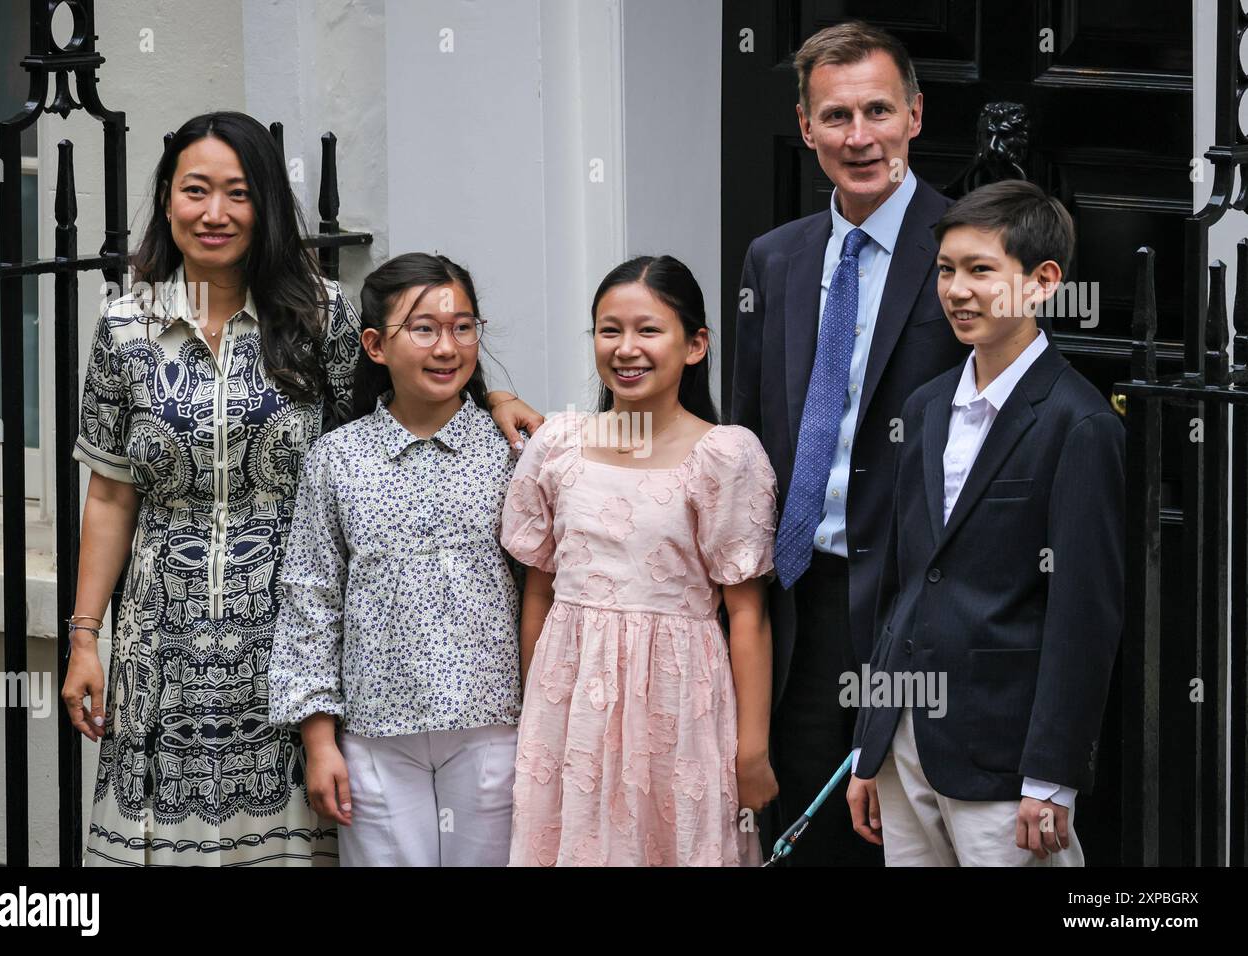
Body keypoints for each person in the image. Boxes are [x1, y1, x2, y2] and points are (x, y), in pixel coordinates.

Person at [61, 111, 540, 866]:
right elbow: (112, 494)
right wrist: (86, 637)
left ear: (267, 208)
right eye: (196, 190)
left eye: (238, 193)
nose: (215, 213)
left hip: (294, 642)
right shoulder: (124, 328)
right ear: (168, 197)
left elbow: (402, 409)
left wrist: (494, 401)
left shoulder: (323, 316)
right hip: (164, 646)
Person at [730, 20, 967, 865]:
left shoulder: (966, 250)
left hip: (917, 602)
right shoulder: (774, 259)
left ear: (914, 114)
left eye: (877, 111)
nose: (858, 137)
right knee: (806, 834)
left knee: (904, 839)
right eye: (836, 117)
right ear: (806, 128)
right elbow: (749, 433)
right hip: (802, 604)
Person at [846, 179, 1124, 866]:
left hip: (1005, 758)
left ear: (1043, 282)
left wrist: (1051, 776)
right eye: (945, 270)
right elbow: (902, 585)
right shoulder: (925, 405)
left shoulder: (1079, 422)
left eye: (980, 270)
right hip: (905, 745)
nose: (957, 290)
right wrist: (870, 740)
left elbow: (1083, 614)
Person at [504, 256, 779, 866]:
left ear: (696, 344)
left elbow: (748, 616)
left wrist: (752, 750)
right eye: (610, 330)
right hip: (569, 704)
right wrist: (538, 713)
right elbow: (539, 593)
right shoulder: (559, 444)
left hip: (681, 706)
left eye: (649, 330)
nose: (627, 349)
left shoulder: (724, 456)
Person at [269, 253, 522, 867]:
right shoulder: (338, 458)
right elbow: (311, 599)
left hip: (491, 726)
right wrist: (319, 740)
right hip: (376, 733)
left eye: (464, 327)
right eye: (425, 328)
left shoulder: (514, 450)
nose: (447, 346)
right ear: (376, 346)